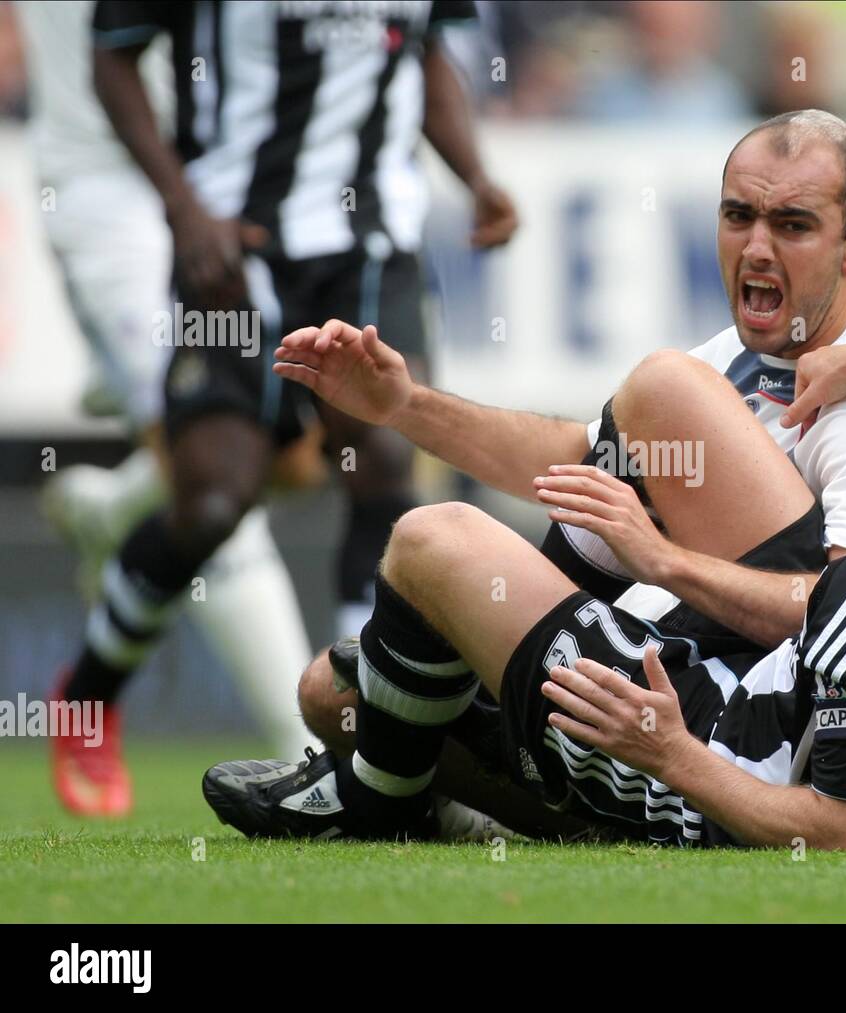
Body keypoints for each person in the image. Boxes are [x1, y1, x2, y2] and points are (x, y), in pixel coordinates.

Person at [205, 325, 846, 848]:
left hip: (704, 754)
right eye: (738, 210)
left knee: (427, 547)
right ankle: (429, 771)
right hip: (786, 699)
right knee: (361, 690)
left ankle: (374, 803)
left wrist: (669, 751)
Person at [51, 0, 518, 817]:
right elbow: (112, 52)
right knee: (214, 499)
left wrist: (475, 174)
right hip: (232, 247)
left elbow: (429, 52)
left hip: (373, 249)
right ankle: (87, 692)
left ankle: (366, 746)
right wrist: (181, 205)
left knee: (382, 472)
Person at [15, 0, 315, 814]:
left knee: (295, 455)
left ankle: (107, 511)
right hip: (108, 196)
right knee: (215, 472)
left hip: (230, 177)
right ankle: (308, 750)